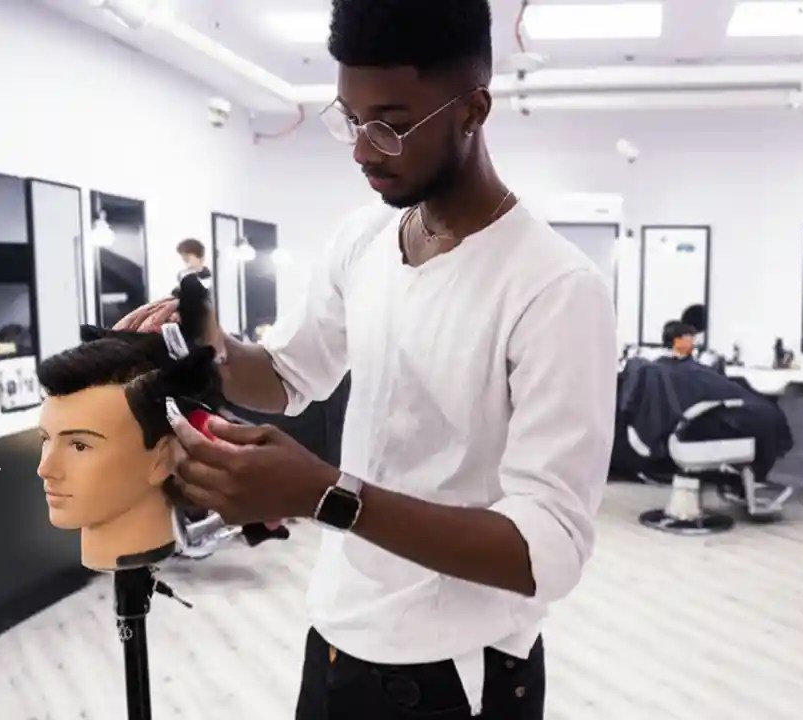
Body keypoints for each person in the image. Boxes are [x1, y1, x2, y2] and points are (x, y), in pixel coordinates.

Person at [114, 1, 616, 717]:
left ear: (473, 109)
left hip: (455, 674)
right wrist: (209, 344)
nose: (361, 149)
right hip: (337, 637)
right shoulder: (364, 239)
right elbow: (287, 375)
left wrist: (324, 493)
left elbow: (546, 554)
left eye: (391, 122)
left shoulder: (556, 289)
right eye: (349, 119)